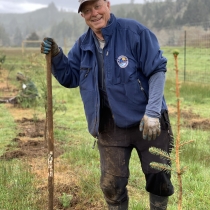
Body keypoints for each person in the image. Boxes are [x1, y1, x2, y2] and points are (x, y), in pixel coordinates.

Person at [41, 0, 174, 209]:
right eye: (86, 10)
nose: (93, 13)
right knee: (112, 185)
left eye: (97, 6)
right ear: (82, 15)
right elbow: (70, 77)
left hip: (147, 120)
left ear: (108, 5)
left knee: (159, 179)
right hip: (110, 125)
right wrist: (57, 56)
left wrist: (153, 112)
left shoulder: (134, 32)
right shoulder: (83, 45)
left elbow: (157, 71)